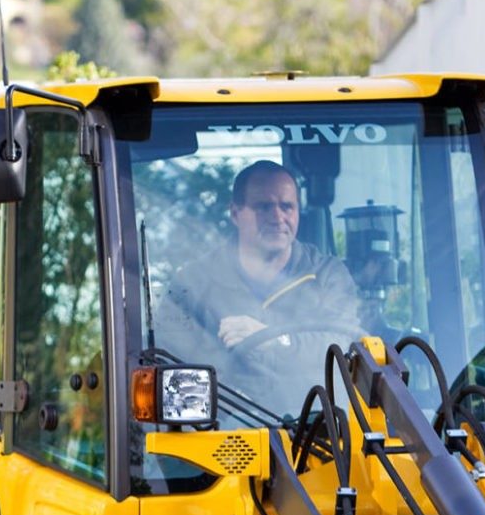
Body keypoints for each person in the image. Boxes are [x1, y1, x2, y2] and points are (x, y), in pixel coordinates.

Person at [151, 160, 363, 411]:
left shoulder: (328, 276)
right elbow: (170, 372)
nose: (277, 217)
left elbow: (345, 348)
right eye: (263, 207)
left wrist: (274, 339)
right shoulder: (192, 285)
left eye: (286, 206)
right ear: (235, 213)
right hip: (221, 441)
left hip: (318, 435)